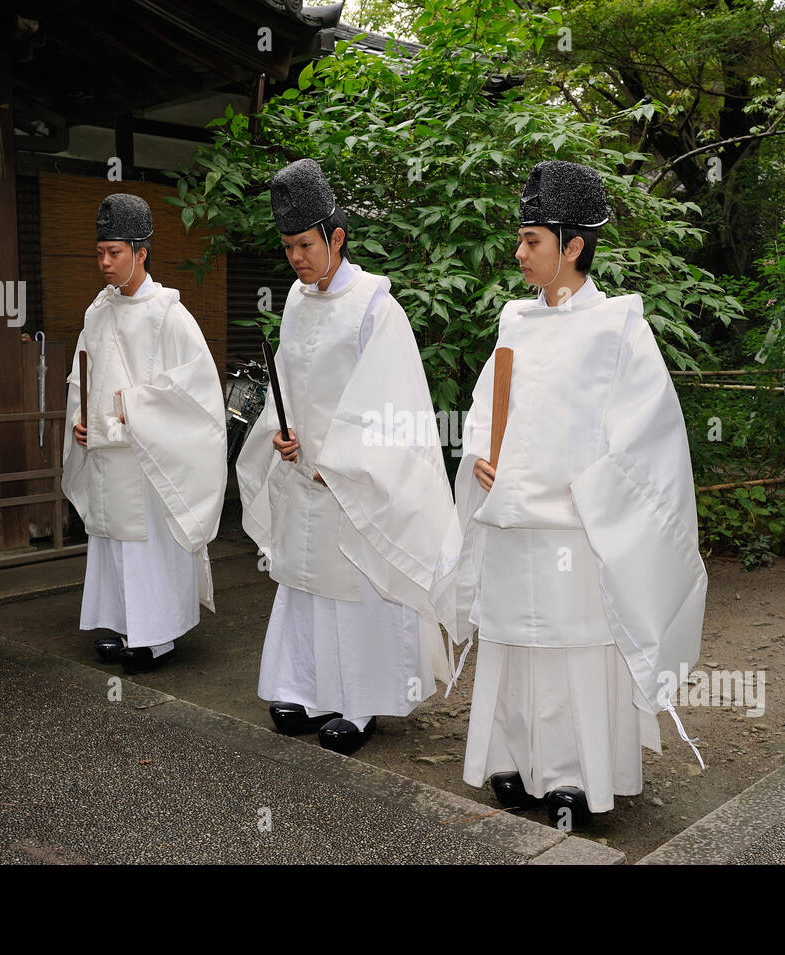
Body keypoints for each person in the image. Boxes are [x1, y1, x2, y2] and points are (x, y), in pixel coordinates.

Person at [454, 160, 708, 829]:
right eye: (520, 239)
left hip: (576, 528)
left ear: (572, 245)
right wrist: (480, 454)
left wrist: (581, 482)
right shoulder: (515, 321)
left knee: (571, 654)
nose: (519, 254)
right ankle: (513, 758)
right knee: (513, 645)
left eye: (531, 240)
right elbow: (487, 406)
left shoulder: (618, 329)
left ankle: (574, 776)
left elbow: (647, 438)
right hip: (512, 522)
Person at [236, 159, 460, 755]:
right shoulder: (295, 299)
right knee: (304, 579)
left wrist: (341, 462)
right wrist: (278, 434)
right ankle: (303, 688)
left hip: (351, 478)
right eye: (287, 248)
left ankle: (358, 705)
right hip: (301, 470)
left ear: (335, 237)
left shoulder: (373, 306)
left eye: (305, 245)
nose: (296, 259)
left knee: (353, 581)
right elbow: (286, 376)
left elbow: (389, 399)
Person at [62, 193, 227, 674]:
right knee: (113, 546)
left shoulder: (169, 315)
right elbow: (81, 376)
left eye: (114, 252)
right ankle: (125, 625)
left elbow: (194, 394)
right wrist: (82, 418)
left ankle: (157, 637)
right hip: (107, 457)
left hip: (149, 458)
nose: (105, 263)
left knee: (148, 549)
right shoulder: (97, 313)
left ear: (141, 253)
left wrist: (130, 413)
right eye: (99, 252)